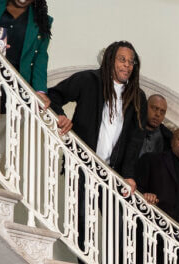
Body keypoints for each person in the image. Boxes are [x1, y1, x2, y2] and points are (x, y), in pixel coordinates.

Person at [47, 40, 147, 180]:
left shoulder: (137, 97)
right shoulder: (88, 80)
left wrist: (128, 176)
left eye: (131, 62)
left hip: (112, 176)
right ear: (110, 60)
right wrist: (60, 115)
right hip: (80, 164)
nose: (127, 65)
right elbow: (53, 95)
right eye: (122, 59)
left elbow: (135, 141)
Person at [134, 126, 179, 235]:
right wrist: (145, 195)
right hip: (154, 232)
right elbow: (136, 189)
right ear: (172, 142)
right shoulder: (151, 160)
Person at [128, 94, 172, 163]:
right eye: (154, 108)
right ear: (145, 107)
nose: (158, 114)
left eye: (162, 112)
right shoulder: (130, 124)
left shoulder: (166, 140)